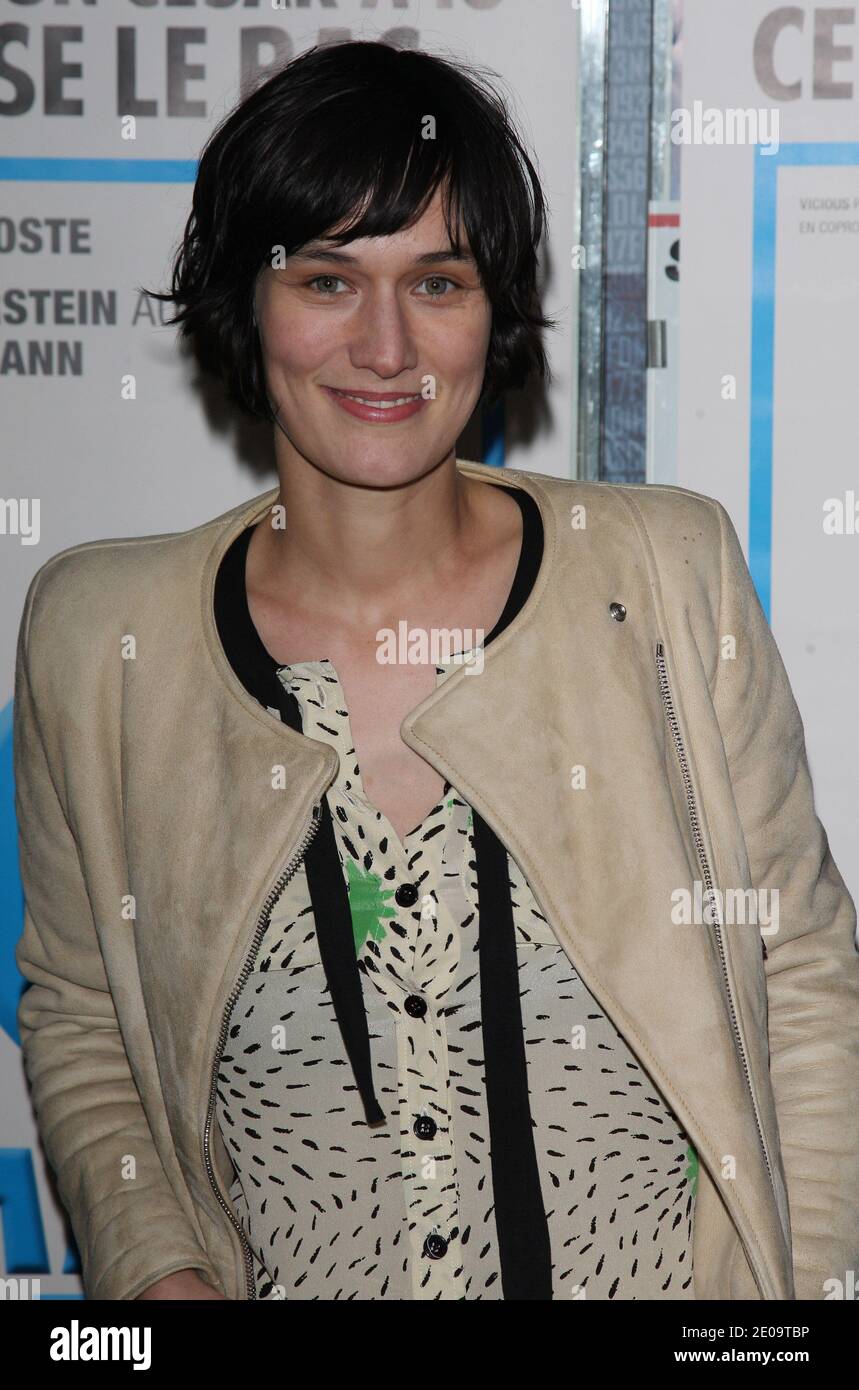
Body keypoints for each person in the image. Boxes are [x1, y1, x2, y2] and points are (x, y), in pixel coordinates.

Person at [13, 39, 859, 1303]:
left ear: (495, 306)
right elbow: (82, 1011)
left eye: (439, 281)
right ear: (248, 299)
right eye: (329, 279)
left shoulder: (662, 574)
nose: (387, 345)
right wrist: (155, 1276)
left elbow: (800, 979)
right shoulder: (98, 637)